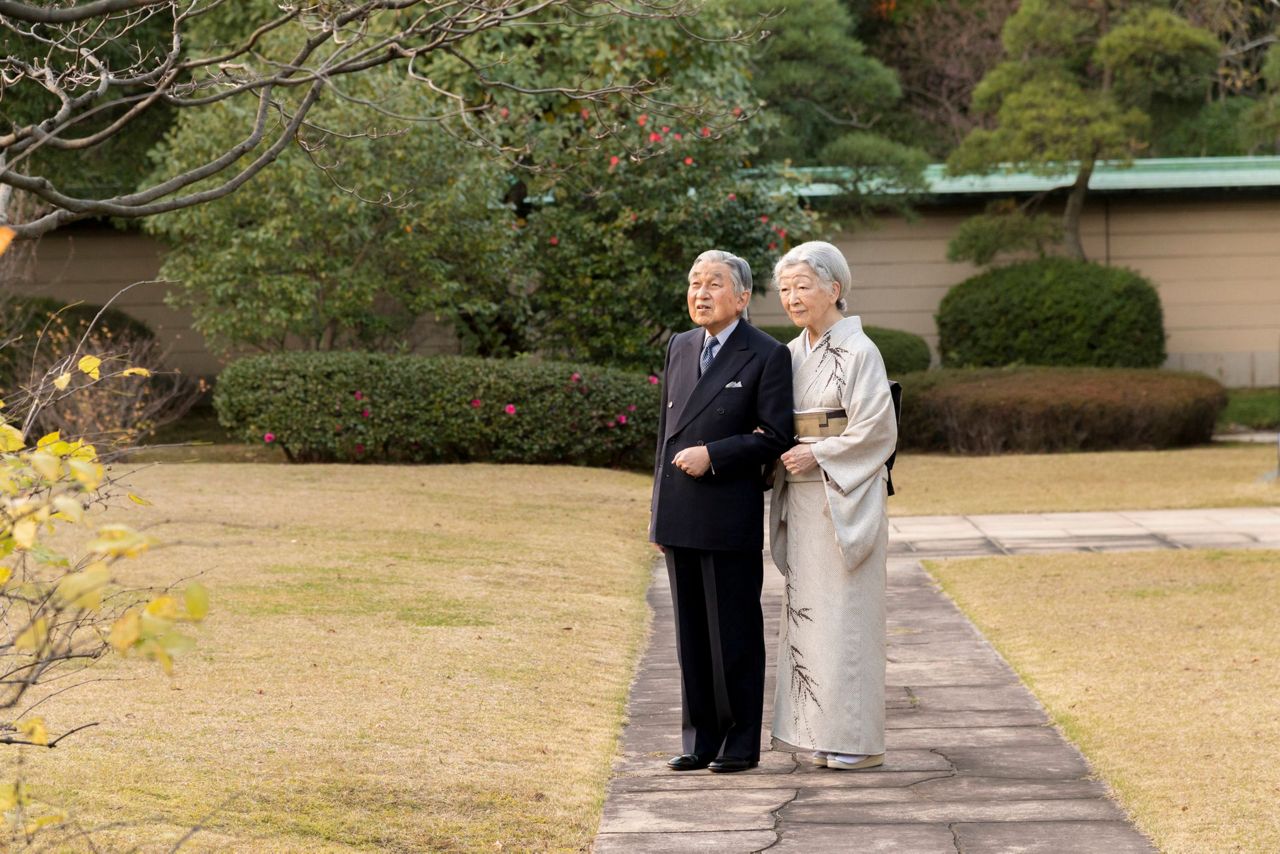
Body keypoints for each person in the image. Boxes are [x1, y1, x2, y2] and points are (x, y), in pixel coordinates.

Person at [650, 249, 793, 774]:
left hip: (727, 512)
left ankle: (739, 741)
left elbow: (777, 437)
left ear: (740, 296)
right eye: (694, 283)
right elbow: (665, 438)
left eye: (713, 284)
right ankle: (699, 738)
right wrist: (657, 517)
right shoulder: (681, 346)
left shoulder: (767, 353)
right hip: (680, 512)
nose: (701, 293)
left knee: (732, 631)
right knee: (690, 634)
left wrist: (715, 455)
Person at [768, 241, 898, 771]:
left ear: (834, 289)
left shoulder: (861, 351)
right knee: (808, 617)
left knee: (848, 616)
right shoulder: (792, 353)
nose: (793, 298)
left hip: (844, 495)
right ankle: (815, 732)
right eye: (785, 289)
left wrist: (818, 452)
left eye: (803, 286)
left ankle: (860, 741)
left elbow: (877, 431)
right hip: (799, 496)